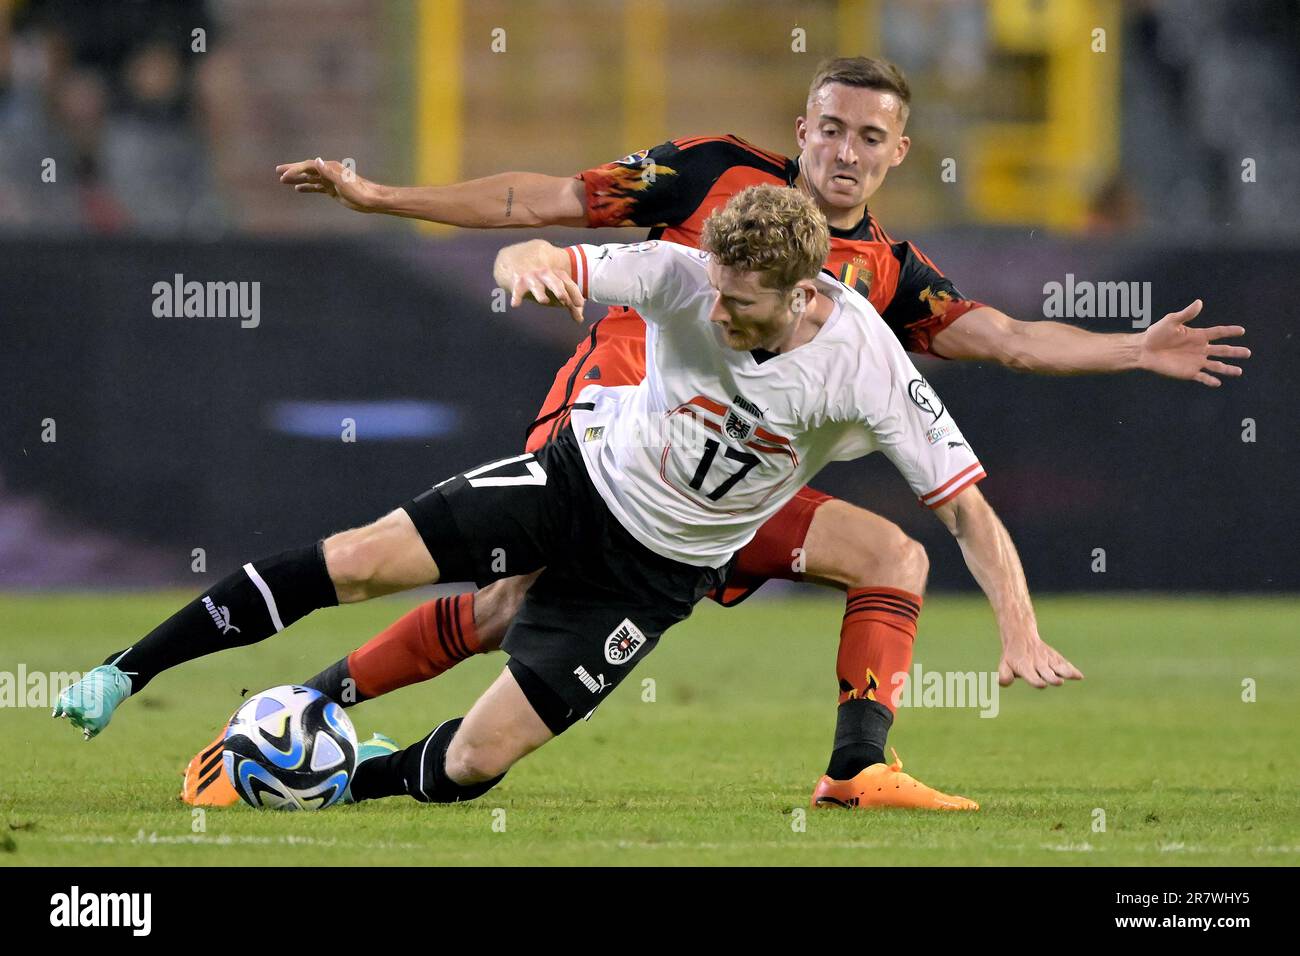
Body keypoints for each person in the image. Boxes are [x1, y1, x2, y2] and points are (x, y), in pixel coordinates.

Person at [186, 56, 1246, 808]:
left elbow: (1007, 335)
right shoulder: (704, 174)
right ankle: (309, 713)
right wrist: (379, 196)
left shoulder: (882, 280)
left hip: (735, 484)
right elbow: (540, 198)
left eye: (868, 136)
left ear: (895, 154)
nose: (844, 149)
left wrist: (1127, 347)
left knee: (892, 554)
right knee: (513, 602)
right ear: (801, 130)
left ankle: (856, 766)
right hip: (618, 432)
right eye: (829, 126)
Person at [59, 186, 1078, 809]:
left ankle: (323, 779)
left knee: (471, 764)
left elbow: (965, 510)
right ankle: (128, 668)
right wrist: (537, 268)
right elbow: (540, 254)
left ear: (806, 290)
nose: (715, 310)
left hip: (651, 578)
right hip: (575, 482)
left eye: (742, 303)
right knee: (360, 559)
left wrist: (1017, 631)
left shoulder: (866, 366)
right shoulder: (686, 275)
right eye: (712, 289)